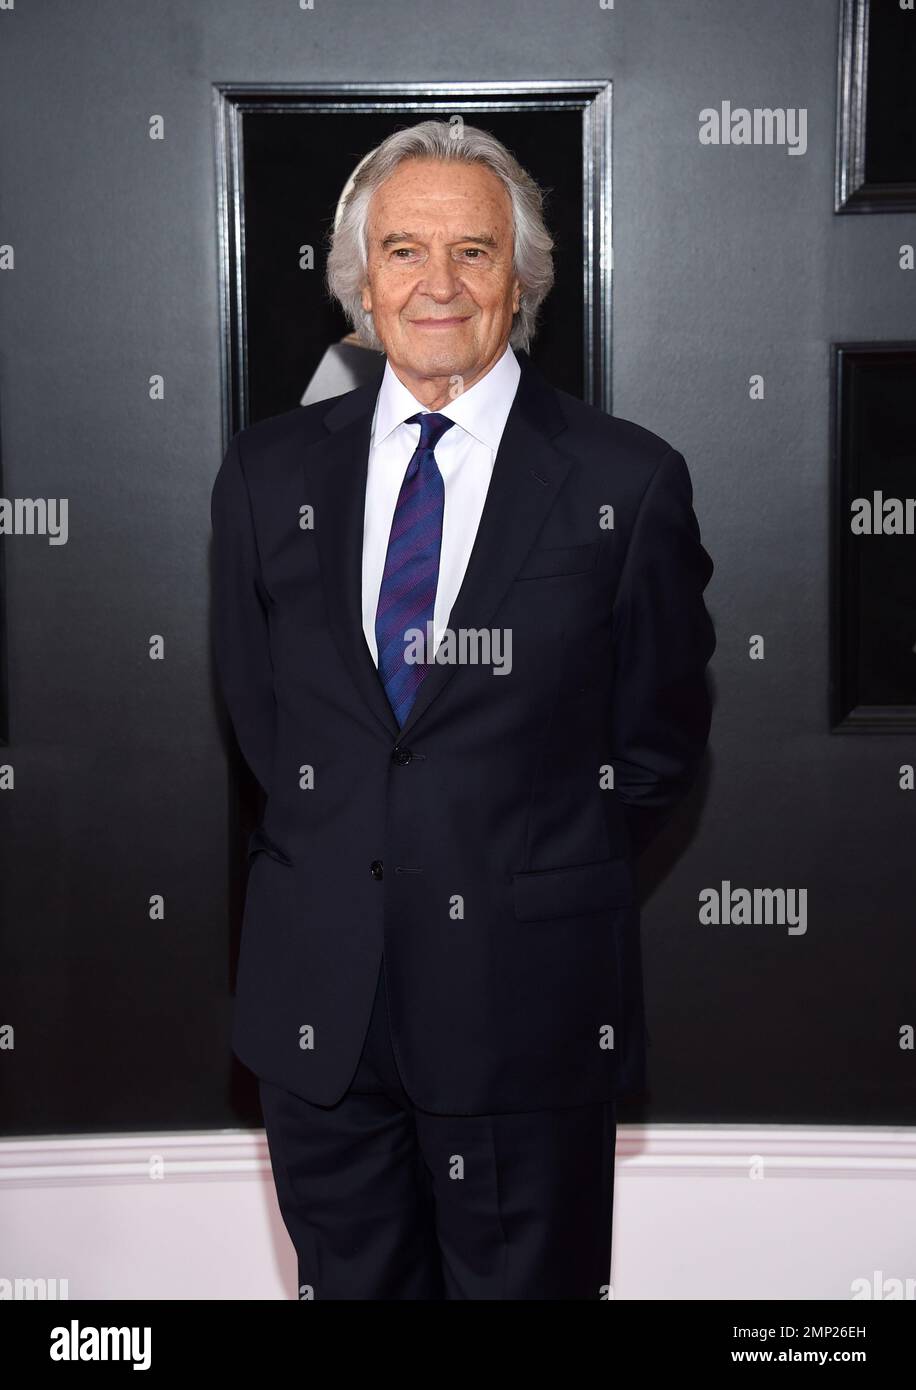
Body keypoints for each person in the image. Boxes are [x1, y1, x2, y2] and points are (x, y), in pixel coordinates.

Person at [210, 119, 716, 1300]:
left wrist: (513, 871)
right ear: (357, 281)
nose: (437, 284)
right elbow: (265, 721)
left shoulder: (623, 480)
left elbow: (652, 749)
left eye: (474, 252)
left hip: (523, 1009)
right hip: (319, 1014)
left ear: (523, 279)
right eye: (401, 249)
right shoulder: (268, 472)